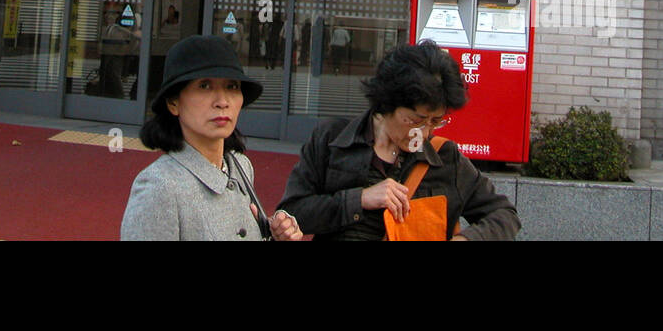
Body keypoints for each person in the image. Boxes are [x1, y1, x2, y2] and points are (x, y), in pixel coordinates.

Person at [279, 40, 520, 240]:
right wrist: (359, 199)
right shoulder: (332, 140)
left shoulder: (445, 158)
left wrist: (467, 239)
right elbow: (293, 212)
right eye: (416, 120)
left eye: (436, 121)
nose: (424, 133)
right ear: (387, 104)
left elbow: (505, 214)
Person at [121, 34, 304, 241]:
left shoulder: (240, 166)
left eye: (232, 86)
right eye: (205, 86)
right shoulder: (159, 187)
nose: (222, 101)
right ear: (174, 102)